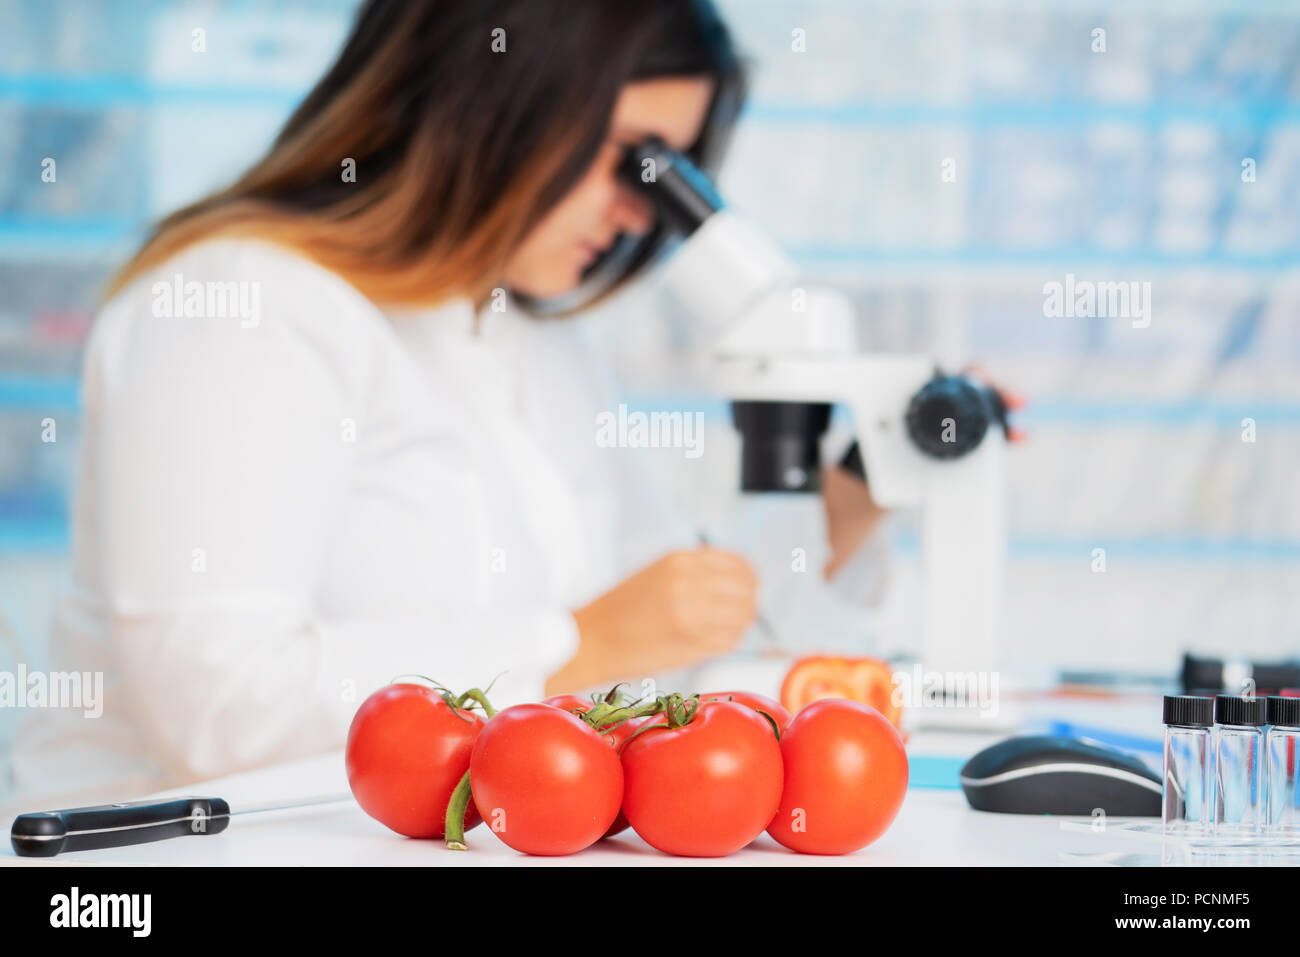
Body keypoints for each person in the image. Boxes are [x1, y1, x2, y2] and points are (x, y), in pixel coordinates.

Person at [10, 0, 923, 803]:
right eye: (631, 160)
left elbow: (672, 630)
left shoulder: (529, 333)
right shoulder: (241, 305)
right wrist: (575, 647)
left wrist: (854, 495)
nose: (642, 213)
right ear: (489, 93)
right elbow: (219, 712)